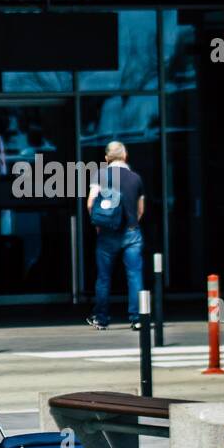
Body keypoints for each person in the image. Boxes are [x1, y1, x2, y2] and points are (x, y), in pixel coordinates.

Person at [86, 141, 146, 331]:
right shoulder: (136, 178)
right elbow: (140, 209)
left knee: (104, 277)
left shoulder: (101, 176)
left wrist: (99, 224)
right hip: (131, 233)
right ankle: (137, 318)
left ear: (106, 158)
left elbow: (90, 203)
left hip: (107, 234)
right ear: (125, 156)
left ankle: (101, 319)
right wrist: (132, 222)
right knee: (134, 275)